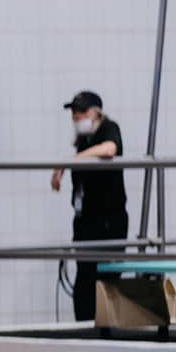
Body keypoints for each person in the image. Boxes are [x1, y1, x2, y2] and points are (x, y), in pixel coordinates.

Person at [51, 91, 127, 322]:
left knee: (107, 276)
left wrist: (70, 161)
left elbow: (109, 149)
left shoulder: (108, 128)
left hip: (108, 220)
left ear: (96, 112)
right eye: (74, 113)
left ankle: (108, 326)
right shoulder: (83, 140)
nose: (77, 117)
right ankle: (84, 325)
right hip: (85, 219)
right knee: (84, 276)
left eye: (82, 112)